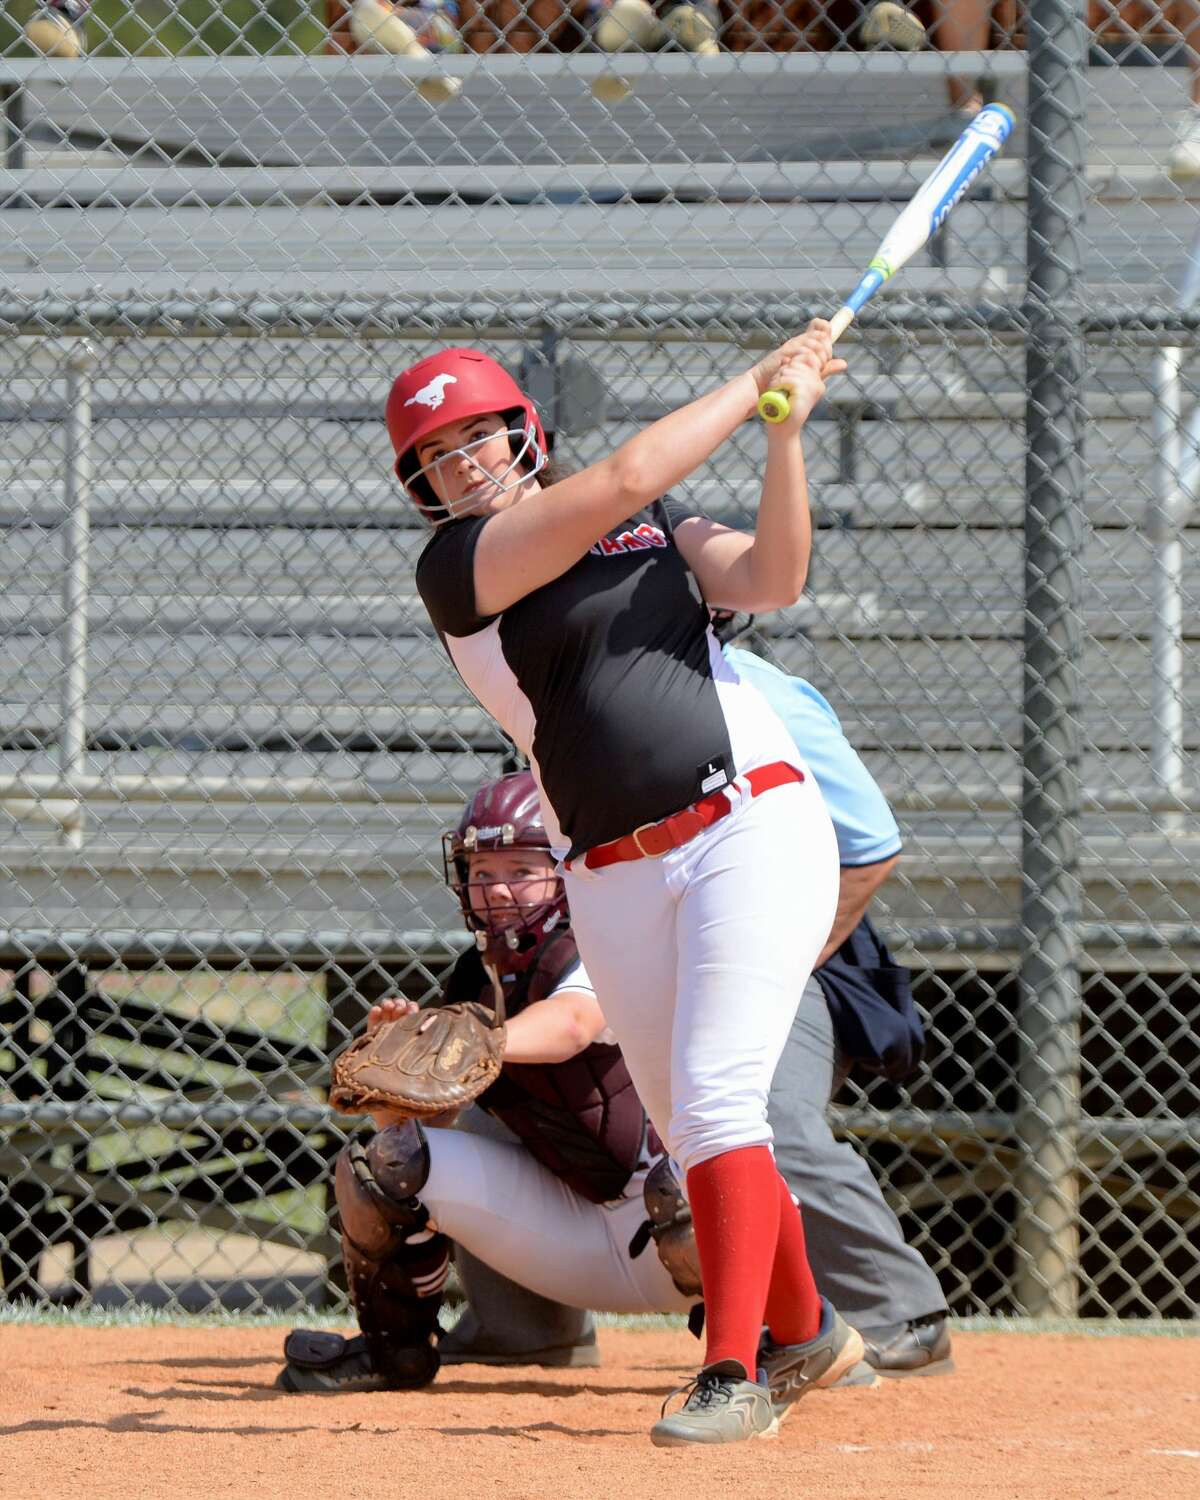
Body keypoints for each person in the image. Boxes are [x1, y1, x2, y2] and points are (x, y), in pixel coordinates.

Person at [384, 331, 857, 1448]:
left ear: (520, 429)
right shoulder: (461, 568)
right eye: (435, 452)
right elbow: (626, 477)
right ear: (420, 483)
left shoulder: (653, 524)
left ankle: (733, 1374)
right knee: (699, 1128)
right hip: (606, 869)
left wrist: (783, 438)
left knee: (716, 1101)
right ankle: (810, 1330)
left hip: (749, 820)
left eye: (476, 433)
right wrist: (752, 383)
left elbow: (774, 577)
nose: (462, 460)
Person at [277, 769, 947, 1400]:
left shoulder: (603, 942)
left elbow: (573, 1023)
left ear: (564, 879)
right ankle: (395, 1351)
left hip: (674, 1229)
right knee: (383, 1163)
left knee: (686, 1177)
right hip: (574, 1235)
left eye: (522, 871)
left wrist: (474, 1041)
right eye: (484, 872)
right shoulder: (473, 983)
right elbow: (425, 1136)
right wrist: (398, 1083)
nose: (500, 889)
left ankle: (777, 1338)